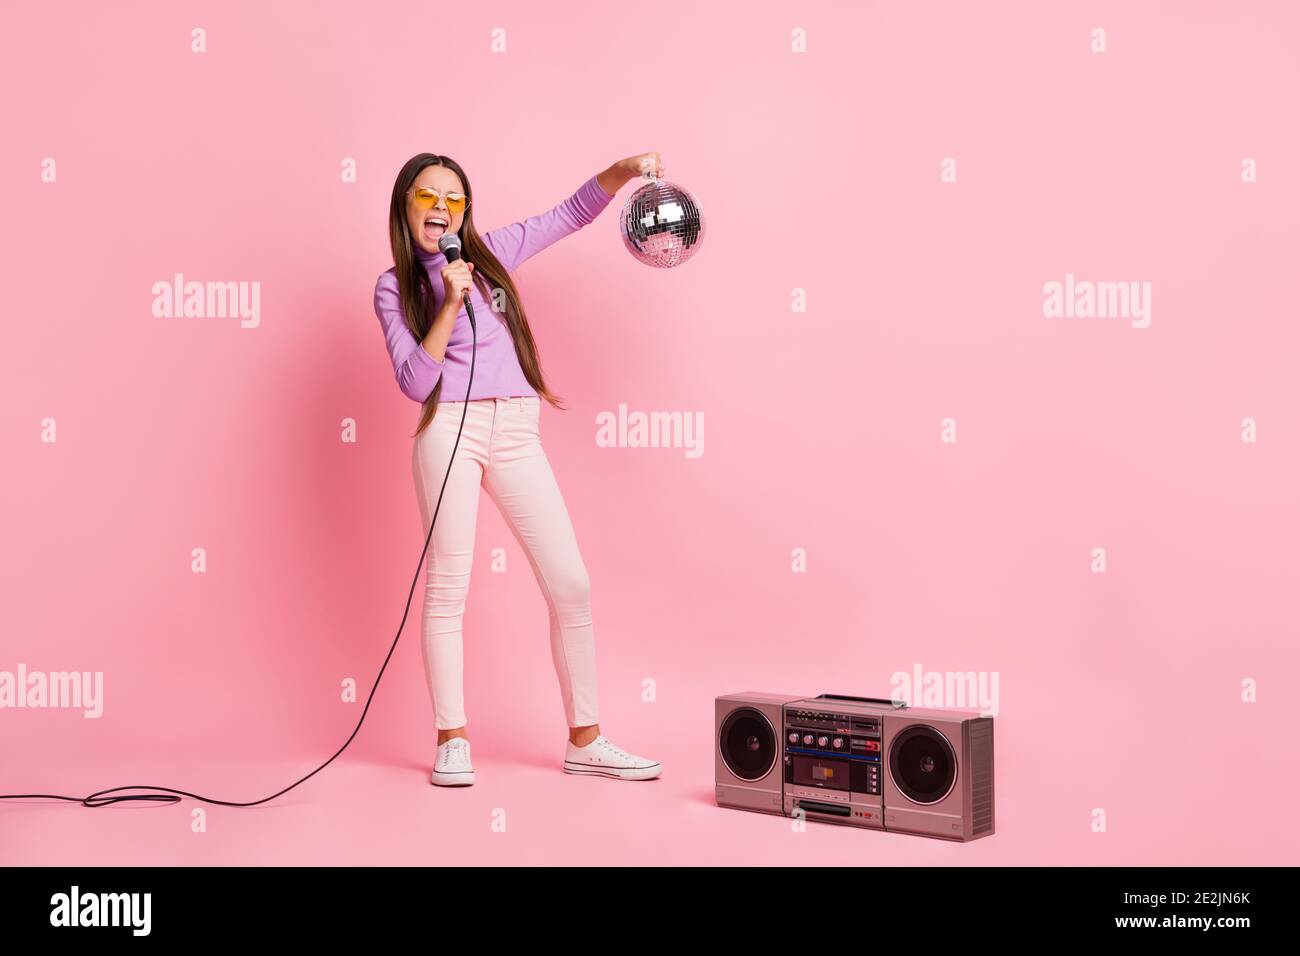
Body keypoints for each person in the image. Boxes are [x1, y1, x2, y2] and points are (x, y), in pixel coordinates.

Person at [373, 152, 663, 787]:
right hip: (450, 427)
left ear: (466, 210)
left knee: (571, 582)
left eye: (454, 198)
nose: (442, 208)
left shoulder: (495, 255)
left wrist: (622, 170)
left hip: (516, 427)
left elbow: (570, 213)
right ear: (406, 206)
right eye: (428, 197)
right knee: (450, 587)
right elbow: (414, 380)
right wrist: (449, 301)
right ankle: (452, 739)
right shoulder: (395, 286)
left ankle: (585, 739)